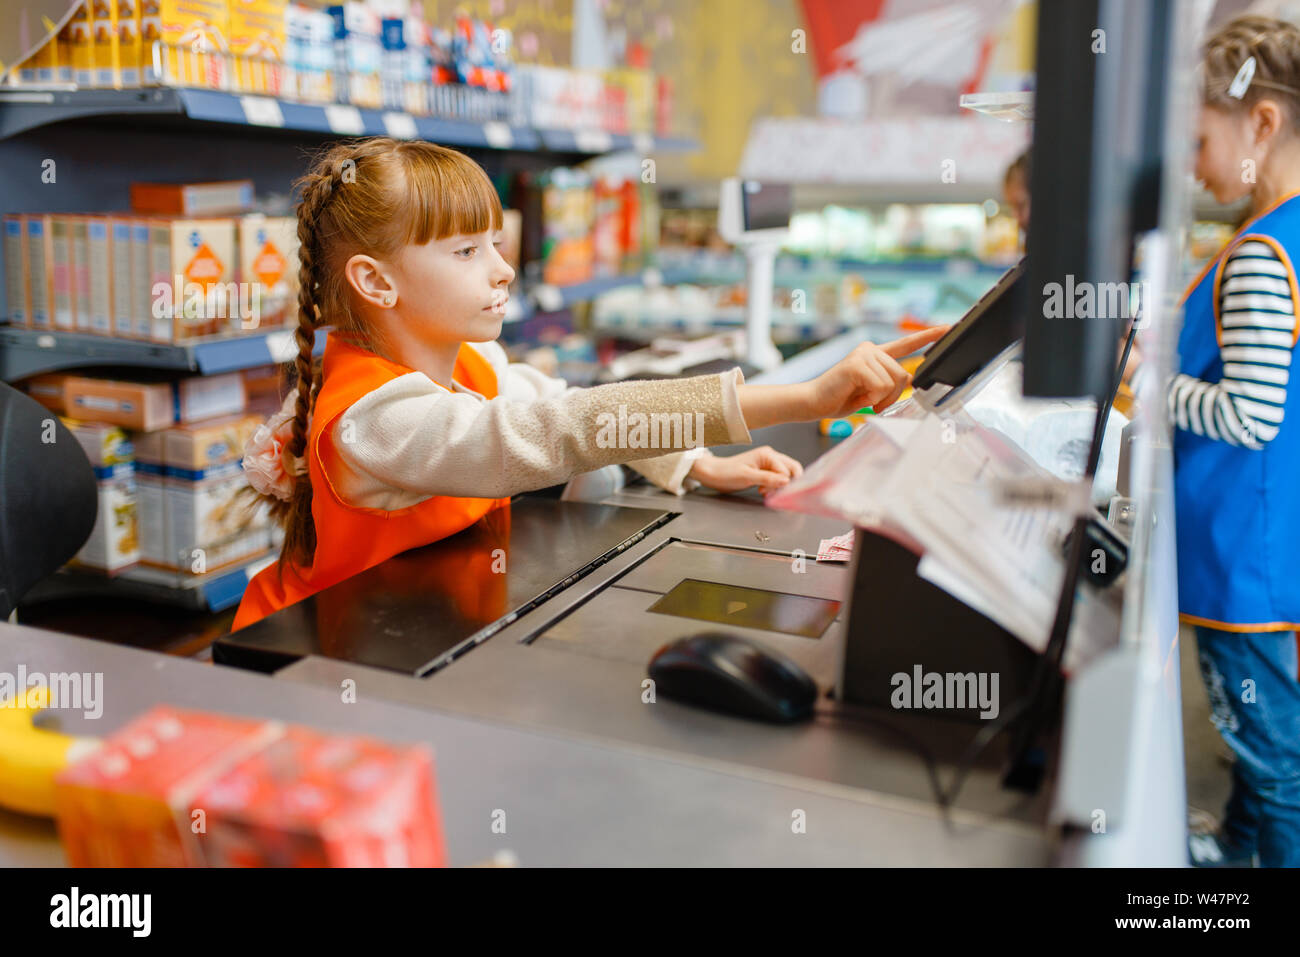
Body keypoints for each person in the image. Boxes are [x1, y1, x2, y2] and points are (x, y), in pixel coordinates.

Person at [231, 138, 946, 631]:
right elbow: (556, 432)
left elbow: (551, 404)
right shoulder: (372, 418)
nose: (502, 270)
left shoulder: (472, 363)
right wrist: (805, 399)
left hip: (428, 624)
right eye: (466, 251)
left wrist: (698, 462)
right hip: (337, 658)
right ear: (376, 281)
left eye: (497, 244)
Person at [1132, 15, 1300, 867]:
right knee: (1256, 746)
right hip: (1265, 552)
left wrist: (1148, 381)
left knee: (1276, 763)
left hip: (1245, 567)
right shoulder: (1286, 236)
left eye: (1200, 140)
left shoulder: (1264, 255)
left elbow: (1248, 416)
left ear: (1261, 124)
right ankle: (1237, 855)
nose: (1193, 165)